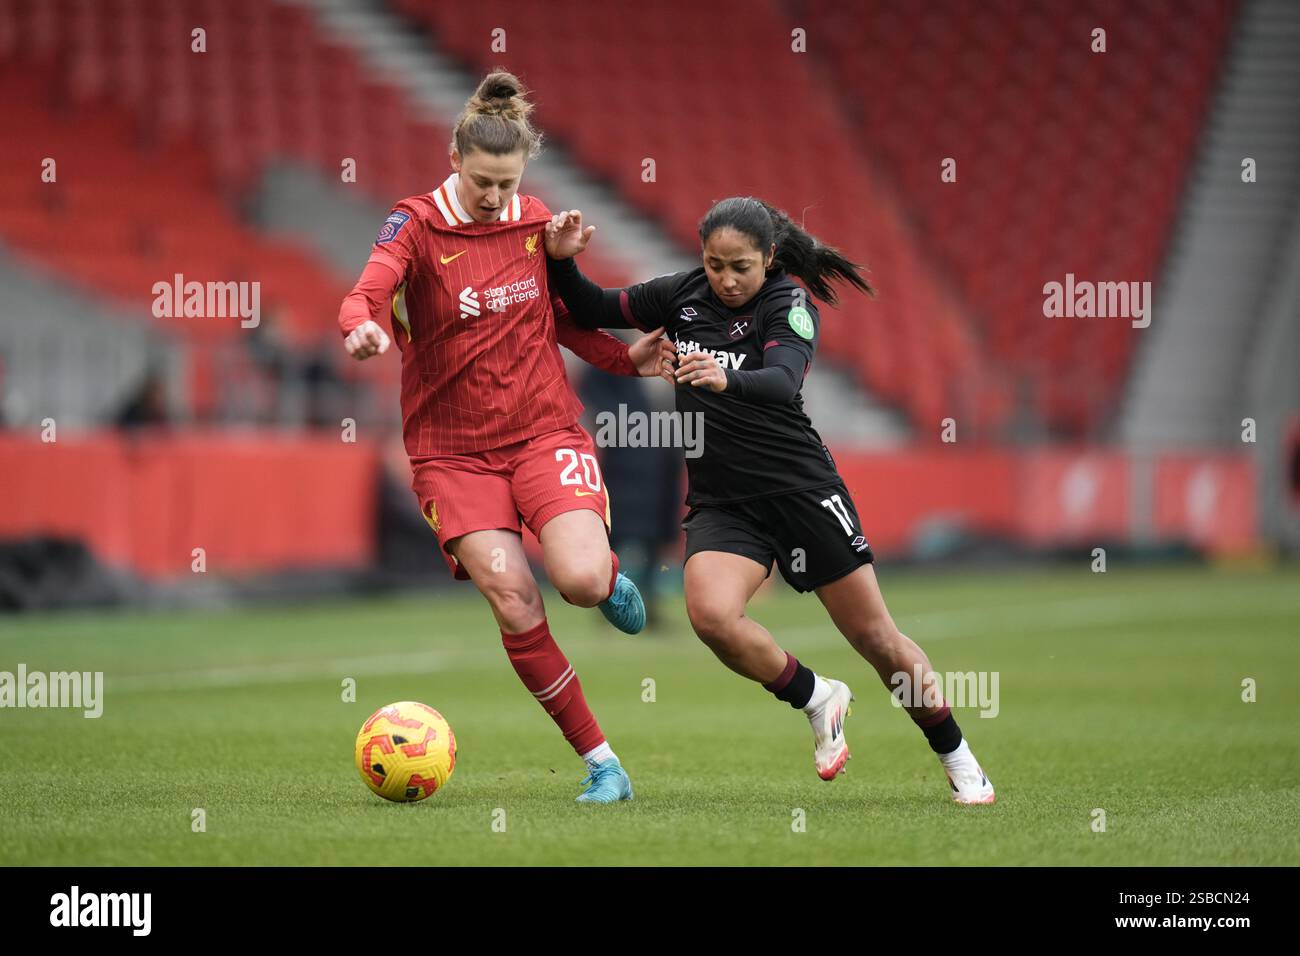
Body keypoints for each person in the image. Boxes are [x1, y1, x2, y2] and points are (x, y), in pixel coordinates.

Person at [544, 197, 995, 804]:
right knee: (711, 617)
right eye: (715, 265)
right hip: (724, 502)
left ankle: (958, 757)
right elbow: (594, 307)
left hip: (801, 491)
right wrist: (563, 262)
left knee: (876, 639)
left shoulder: (789, 304)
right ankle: (817, 697)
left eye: (741, 267)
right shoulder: (680, 294)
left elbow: (783, 382)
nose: (727, 279)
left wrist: (723, 377)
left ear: (769, 258)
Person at [337, 71, 670, 804]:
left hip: (543, 432)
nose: (494, 196)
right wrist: (361, 327)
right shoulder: (415, 225)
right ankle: (604, 765)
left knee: (580, 582)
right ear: (455, 158)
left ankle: (607, 577)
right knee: (515, 597)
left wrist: (627, 358)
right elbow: (366, 291)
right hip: (452, 454)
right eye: (482, 181)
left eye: (507, 183)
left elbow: (563, 319)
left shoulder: (536, 222)